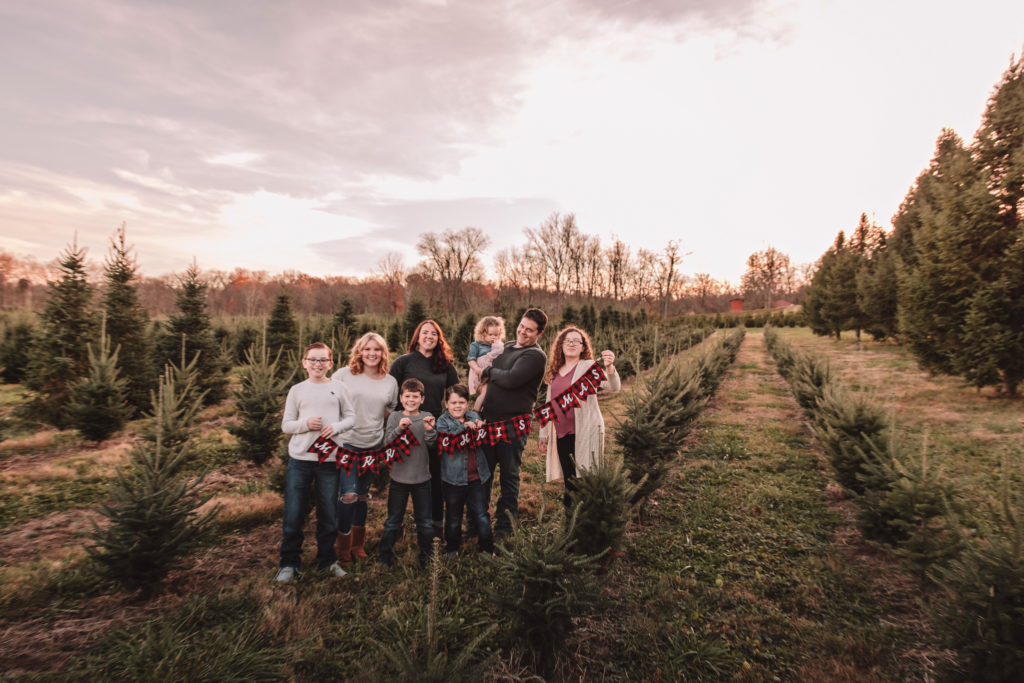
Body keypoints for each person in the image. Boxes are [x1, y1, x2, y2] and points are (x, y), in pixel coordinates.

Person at [276, 342, 356, 583]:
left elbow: (351, 417)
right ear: (304, 363)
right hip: (300, 460)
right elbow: (286, 424)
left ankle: (327, 560)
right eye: (313, 360)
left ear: (330, 364)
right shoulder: (297, 390)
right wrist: (305, 424)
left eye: (323, 360)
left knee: (328, 512)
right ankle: (289, 564)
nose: (317, 364)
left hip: (329, 460)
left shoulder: (339, 388)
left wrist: (337, 427)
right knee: (294, 512)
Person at [479, 308, 548, 538]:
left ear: (539, 333)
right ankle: (479, 522)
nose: (522, 332)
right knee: (483, 475)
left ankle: (505, 528)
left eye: (529, 330)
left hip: (512, 426)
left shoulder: (535, 356)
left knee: (509, 476)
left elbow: (511, 379)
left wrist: (489, 370)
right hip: (488, 423)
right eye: (521, 326)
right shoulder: (506, 346)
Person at [331, 332, 398, 567]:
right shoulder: (343, 375)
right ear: (359, 351)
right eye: (367, 349)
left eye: (377, 349)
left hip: (373, 446)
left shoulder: (390, 382)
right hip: (347, 444)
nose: (372, 353)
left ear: (383, 353)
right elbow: (329, 401)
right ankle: (342, 549)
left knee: (361, 495)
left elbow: (390, 412)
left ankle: (358, 546)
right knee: (347, 495)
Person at [389, 319, 459, 539]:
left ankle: (436, 525)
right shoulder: (403, 362)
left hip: (432, 427)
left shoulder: (445, 364)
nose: (429, 337)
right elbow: (391, 395)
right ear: (417, 336)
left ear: (439, 338)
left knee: (434, 476)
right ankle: (395, 523)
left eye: (434, 334)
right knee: (401, 476)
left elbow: (455, 392)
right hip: (406, 426)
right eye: (425, 333)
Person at [538, 327, 620, 507]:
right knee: (570, 480)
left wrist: (610, 367)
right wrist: (543, 433)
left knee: (586, 479)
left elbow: (613, 387)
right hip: (562, 434)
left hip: (585, 431)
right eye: (567, 340)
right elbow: (548, 404)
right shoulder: (554, 371)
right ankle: (571, 522)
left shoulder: (588, 367)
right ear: (561, 345)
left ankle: (587, 520)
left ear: (583, 347)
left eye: (577, 341)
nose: (572, 344)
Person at [378, 378, 437, 566]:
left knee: (425, 521)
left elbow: (432, 444)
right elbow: (386, 443)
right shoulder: (395, 417)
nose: (411, 400)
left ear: (422, 399)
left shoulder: (427, 416)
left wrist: (429, 430)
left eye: (415, 397)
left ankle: (426, 557)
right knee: (393, 520)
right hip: (398, 479)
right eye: (407, 396)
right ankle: (385, 555)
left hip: (422, 479)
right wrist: (399, 429)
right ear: (401, 398)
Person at [436, 384, 494, 557]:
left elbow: (484, 439)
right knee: (453, 517)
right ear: (446, 404)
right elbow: (447, 441)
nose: (457, 406)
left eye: (461, 402)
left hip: (477, 477)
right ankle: (452, 550)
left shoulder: (474, 416)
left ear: (467, 403)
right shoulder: (442, 421)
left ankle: (487, 549)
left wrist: (481, 428)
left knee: (481, 514)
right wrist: (464, 428)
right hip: (453, 480)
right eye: (453, 402)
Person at [466, 316, 505, 412]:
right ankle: (475, 412)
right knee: (485, 390)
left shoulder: (498, 346)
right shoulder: (477, 345)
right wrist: (477, 369)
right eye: (490, 334)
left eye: (496, 335)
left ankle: (487, 412)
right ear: (483, 333)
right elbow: (471, 360)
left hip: (493, 375)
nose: (493, 337)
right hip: (480, 375)